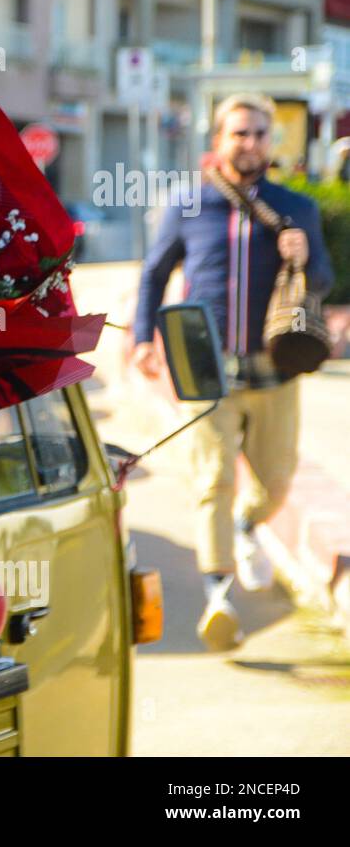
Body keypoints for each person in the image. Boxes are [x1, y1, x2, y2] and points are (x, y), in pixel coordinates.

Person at [133, 93, 334, 652]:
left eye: (259, 135)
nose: (250, 144)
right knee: (213, 479)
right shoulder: (187, 204)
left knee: (276, 481)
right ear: (218, 139)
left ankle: (250, 526)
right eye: (239, 133)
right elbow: (154, 273)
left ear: (272, 144)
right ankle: (218, 594)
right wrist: (141, 337)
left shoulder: (297, 207)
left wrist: (304, 256)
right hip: (206, 369)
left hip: (276, 367)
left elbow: (322, 281)